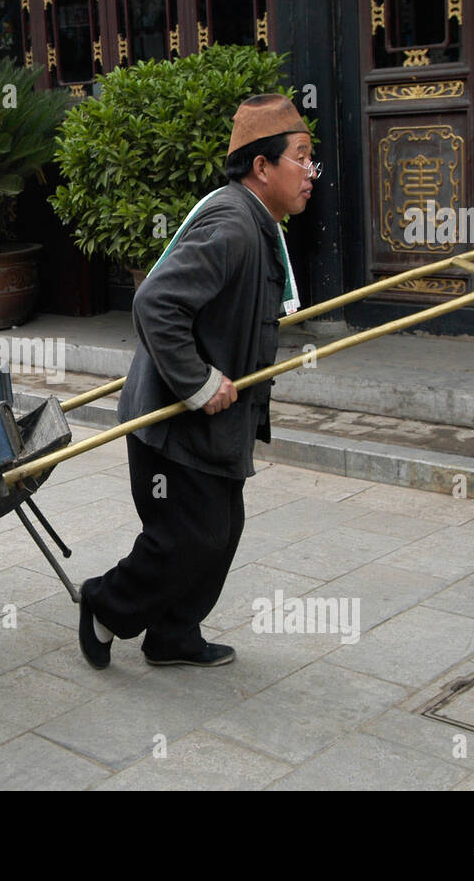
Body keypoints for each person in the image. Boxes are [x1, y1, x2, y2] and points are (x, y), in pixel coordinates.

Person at [78, 93, 316, 669]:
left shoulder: (256, 222)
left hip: (212, 426)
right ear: (262, 167)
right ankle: (106, 603)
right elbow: (156, 302)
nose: (311, 173)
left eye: (313, 161)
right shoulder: (235, 226)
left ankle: (173, 636)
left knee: (220, 532)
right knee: (189, 537)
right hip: (173, 423)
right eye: (302, 158)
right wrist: (199, 382)